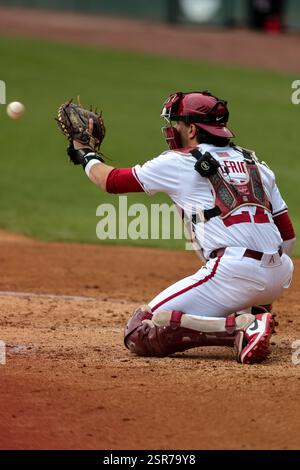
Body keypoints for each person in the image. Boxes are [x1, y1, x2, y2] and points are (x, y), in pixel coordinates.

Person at [57, 91, 295, 364]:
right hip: (278, 275)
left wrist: (84, 152)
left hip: (234, 273)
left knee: (140, 329)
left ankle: (242, 329)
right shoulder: (257, 165)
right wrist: (264, 291)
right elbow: (287, 237)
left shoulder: (179, 162)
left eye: (175, 124)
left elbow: (110, 181)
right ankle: (252, 314)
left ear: (191, 129)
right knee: (244, 278)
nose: (171, 130)